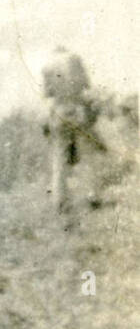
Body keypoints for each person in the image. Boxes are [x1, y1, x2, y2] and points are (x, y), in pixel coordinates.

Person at [42, 47, 100, 213]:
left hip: (59, 112)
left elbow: (47, 93)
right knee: (87, 155)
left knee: (59, 158)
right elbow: (86, 85)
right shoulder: (75, 60)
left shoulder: (48, 65)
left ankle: (60, 202)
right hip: (78, 110)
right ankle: (92, 196)